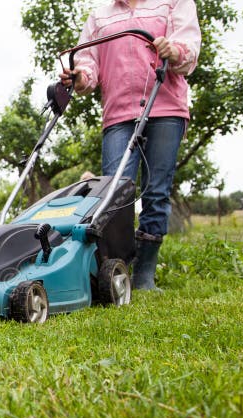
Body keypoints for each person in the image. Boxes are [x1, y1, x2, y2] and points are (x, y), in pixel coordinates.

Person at [60, 0, 201, 290]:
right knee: (113, 192)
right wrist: (79, 77)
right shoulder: (100, 16)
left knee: (156, 191)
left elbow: (188, 50)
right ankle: (114, 269)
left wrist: (172, 49)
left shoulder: (173, 3)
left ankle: (144, 274)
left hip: (165, 107)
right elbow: (87, 63)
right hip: (118, 112)